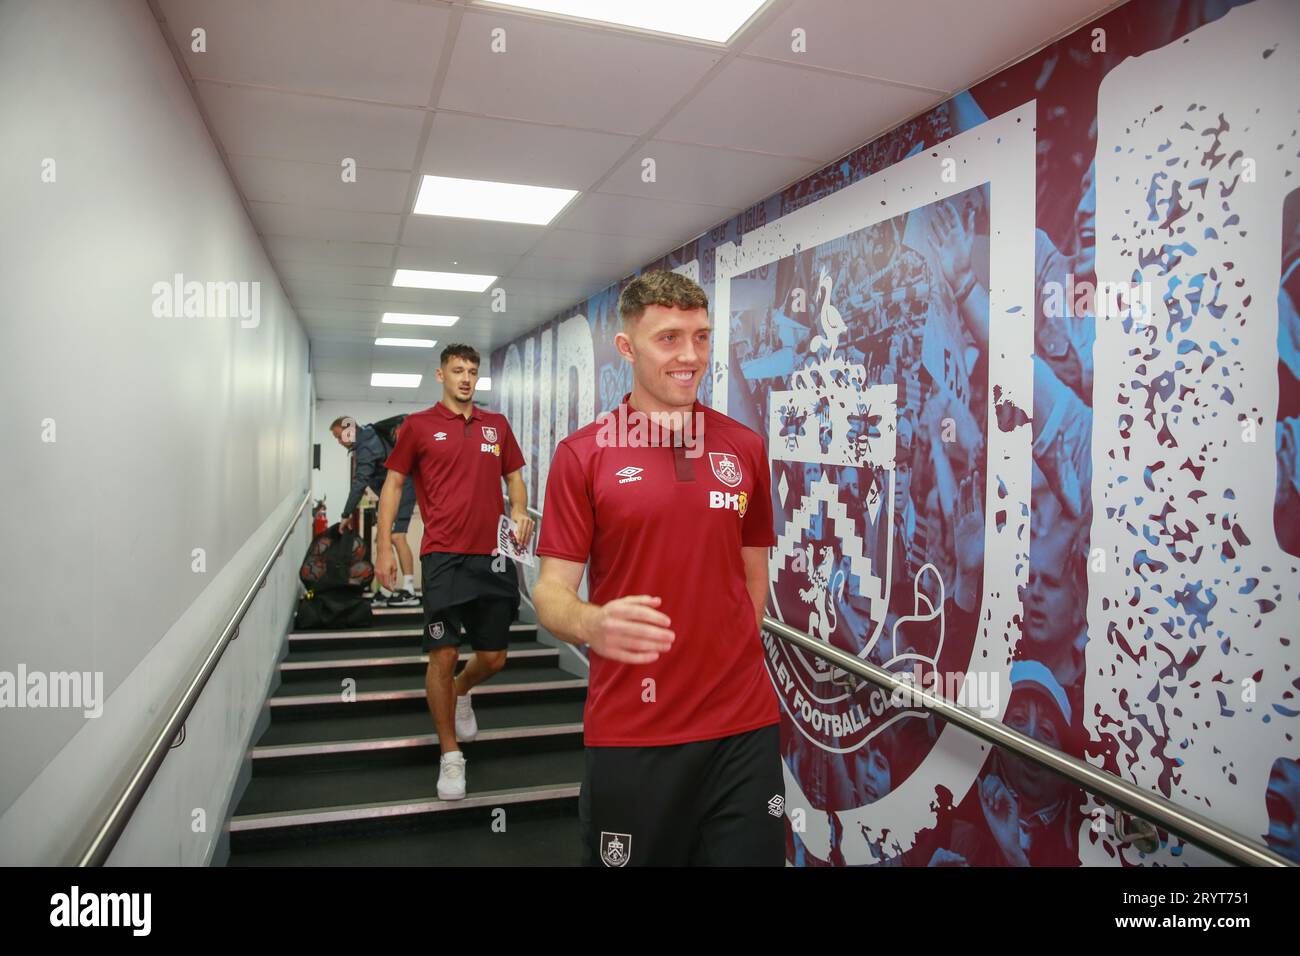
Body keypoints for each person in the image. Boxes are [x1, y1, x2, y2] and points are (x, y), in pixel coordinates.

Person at [532, 270, 783, 866]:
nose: (689, 356)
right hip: (634, 730)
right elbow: (550, 593)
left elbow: (753, 576)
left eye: (700, 337)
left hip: (741, 727)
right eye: (668, 338)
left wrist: (725, 657)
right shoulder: (584, 455)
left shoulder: (744, 447)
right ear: (627, 348)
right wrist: (592, 624)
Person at [372, 344, 535, 800]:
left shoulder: (496, 426)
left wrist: (519, 508)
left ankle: (463, 689)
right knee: (442, 653)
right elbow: (394, 483)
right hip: (442, 557)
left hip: (494, 557)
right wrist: (385, 545)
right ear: (441, 374)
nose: (466, 378)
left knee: (495, 658)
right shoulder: (418, 427)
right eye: (458, 370)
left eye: (472, 372)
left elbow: (515, 474)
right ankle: (450, 756)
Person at [330, 415, 418, 607]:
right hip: (390, 491)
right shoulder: (368, 436)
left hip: (404, 487)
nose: (339, 441)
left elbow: (360, 482)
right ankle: (387, 589)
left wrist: (346, 514)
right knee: (382, 539)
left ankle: (409, 590)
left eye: (339, 436)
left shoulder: (367, 445)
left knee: (396, 536)